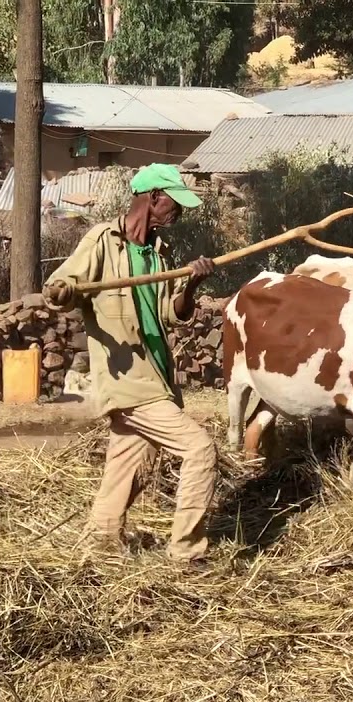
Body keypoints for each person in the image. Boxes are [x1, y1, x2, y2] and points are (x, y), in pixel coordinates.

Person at [43, 163, 218, 566]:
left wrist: (191, 282)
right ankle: (187, 551)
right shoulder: (103, 240)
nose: (181, 212)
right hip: (128, 378)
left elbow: (175, 314)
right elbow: (63, 287)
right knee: (199, 448)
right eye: (176, 203)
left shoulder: (160, 254)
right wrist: (61, 290)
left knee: (130, 460)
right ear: (153, 197)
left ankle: (99, 543)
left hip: (157, 373)